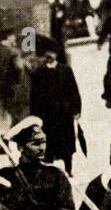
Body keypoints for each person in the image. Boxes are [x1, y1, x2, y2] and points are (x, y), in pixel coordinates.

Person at [0, 116, 77, 210]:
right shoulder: (6, 176)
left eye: (43, 142)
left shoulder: (56, 175)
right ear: (21, 147)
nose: (42, 148)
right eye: (35, 143)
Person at [30, 44, 82, 174]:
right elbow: (34, 97)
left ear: (57, 54)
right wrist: (35, 116)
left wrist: (76, 109)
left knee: (66, 145)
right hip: (47, 115)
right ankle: (48, 171)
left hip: (64, 114)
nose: (50, 55)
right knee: (48, 144)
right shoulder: (38, 73)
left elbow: (74, 91)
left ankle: (69, 169)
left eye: (52, 52)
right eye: (47, 52)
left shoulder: (66, 70)